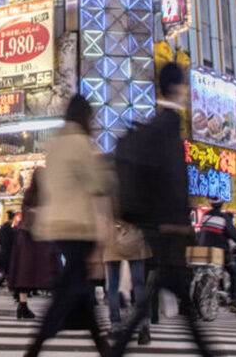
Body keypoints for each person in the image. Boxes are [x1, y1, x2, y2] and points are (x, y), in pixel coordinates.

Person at [109, 63, 214, 357]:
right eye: (184, 88)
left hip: (158, 227)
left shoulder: (161, 124)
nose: (187, 94)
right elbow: (173, 178)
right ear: (177, 89)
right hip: (168, 229)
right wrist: (179, 220)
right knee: (179, 299)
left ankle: (119, 347)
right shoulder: (169, 124)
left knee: (166, 294)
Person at [25, 94, 112, 357]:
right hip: (79, 227)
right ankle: (37, 345)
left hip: (55, 225)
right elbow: (97, 186)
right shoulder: (80, 143)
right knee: (68, 293)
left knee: (80, 293)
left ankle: (101, 344)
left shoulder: (56, 144)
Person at [97, 156, 152, 343]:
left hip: (113, 235)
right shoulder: (137, 182)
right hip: (135, 235)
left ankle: (116, 325)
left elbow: (101, 212)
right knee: (139, 283)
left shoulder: (105, 185)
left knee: (112, 285)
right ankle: (144, 325)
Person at [8, 167, 58, 319]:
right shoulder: (47, 195)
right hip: (41, 236)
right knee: (51, 271)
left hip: (26, 237)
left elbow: (25, 213)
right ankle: (57, 307)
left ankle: (22, 305)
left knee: (25, 271)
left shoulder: (29, 193)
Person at [198, 198, 236, 311]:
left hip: (203, 251)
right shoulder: (223, 218)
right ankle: (234, 301)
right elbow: (235, 235)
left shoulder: (205, 216)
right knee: (234, 273)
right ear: (221, 205)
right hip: (219, 252)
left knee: (208, 271)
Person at [0, 211, 16, 296]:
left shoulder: (1, 229)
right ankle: (16, 292)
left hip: (3, 252)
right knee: (8, 272)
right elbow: (13, 242)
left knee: (5, 272)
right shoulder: (11, 230)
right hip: (9, 253)